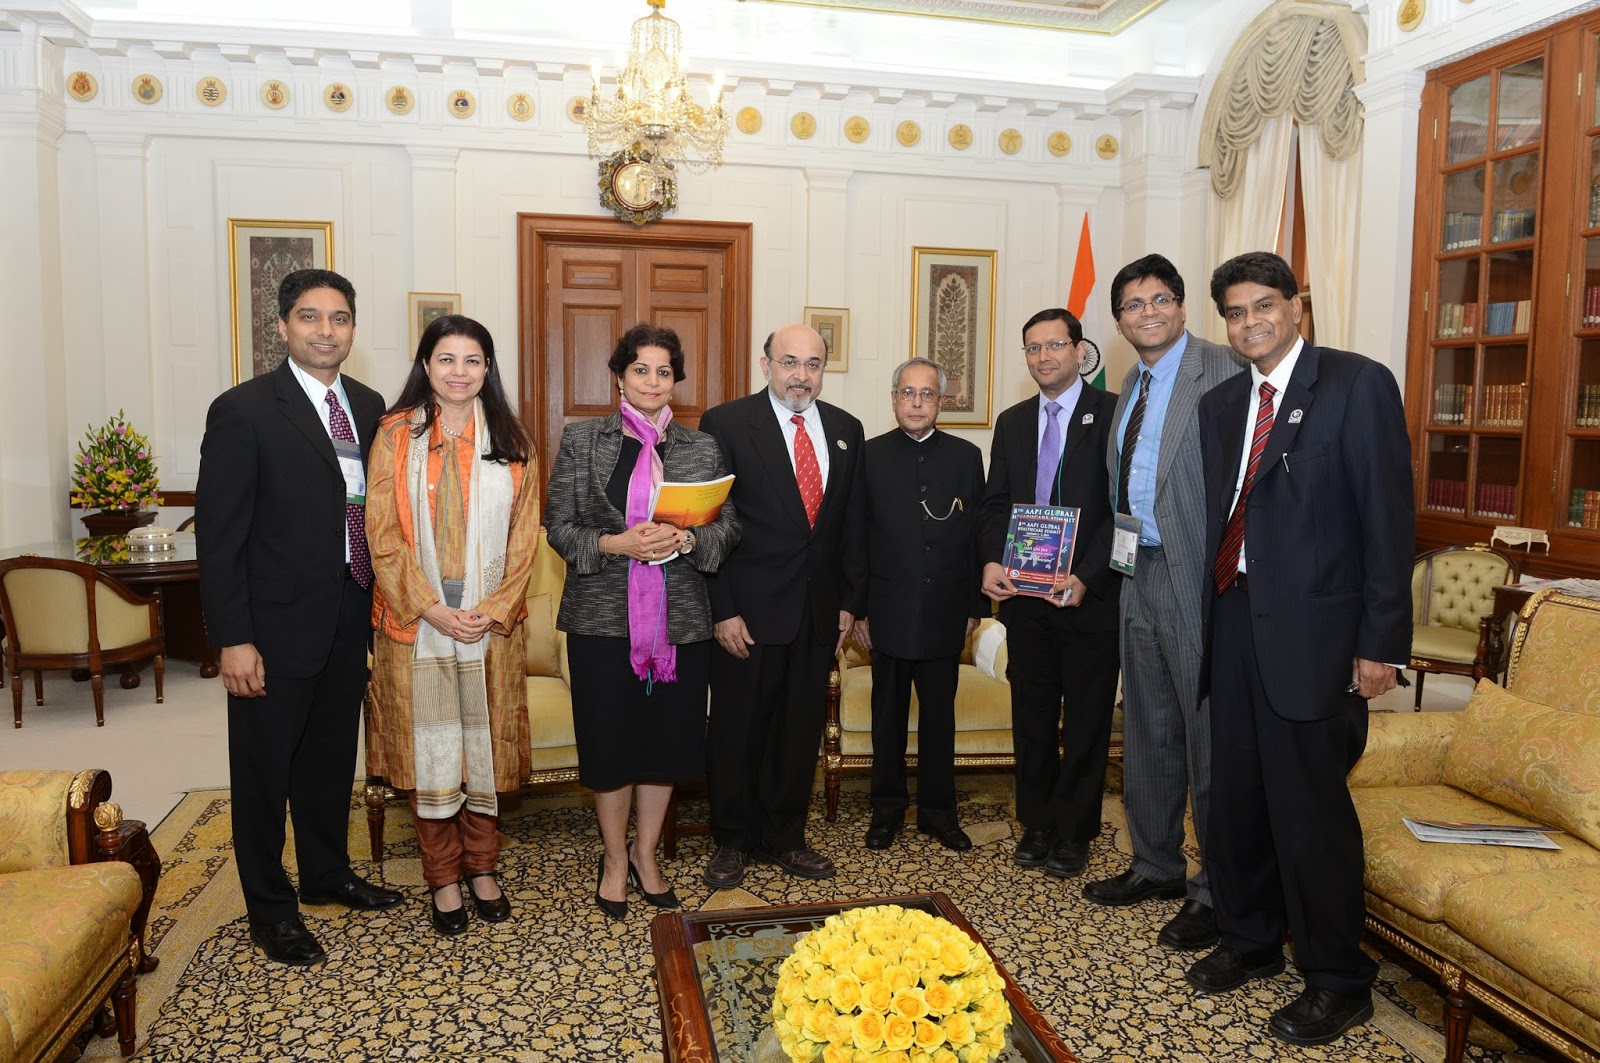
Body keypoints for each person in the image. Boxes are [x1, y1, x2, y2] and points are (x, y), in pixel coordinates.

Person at [1188, 251, 1413, 1046]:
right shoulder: (1221, 406)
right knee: (1236, 801)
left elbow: (1387, 522)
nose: (1251, 323)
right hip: (1236, 622)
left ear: (1297, 306)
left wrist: (1380, 642)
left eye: (1263, 307)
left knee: (1310, 813)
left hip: (1319, 640)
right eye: (1236, 313)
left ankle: (1337, 978)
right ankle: (1250, 940)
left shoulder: (1355, 385)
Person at [196, 268, 403, 967]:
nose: (326, 330)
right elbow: (219, 536)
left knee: (327, 760)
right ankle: (271, 911)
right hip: (271, 630)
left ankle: (326, 872)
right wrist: (233, 638)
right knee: (263, 775)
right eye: (310, 317)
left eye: (339, 318)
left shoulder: (371, 405)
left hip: (349, 613)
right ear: (282, 326)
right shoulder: (244, 409)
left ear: (352, 328)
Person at [544, 323, 740, 919]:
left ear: (675, 380)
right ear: (619, 377)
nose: (652, 382)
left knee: (664, 746)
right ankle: (611, 860)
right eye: (640, 370)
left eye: (663, 371)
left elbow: (727, 529)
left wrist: (685, 540)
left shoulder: (701, 448)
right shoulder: (582, 442)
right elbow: (558, 527)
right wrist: (616, 543)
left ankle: (646, 853)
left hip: (679, 622)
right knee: (612, 746)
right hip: (602, 621)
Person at [1083, 254, 1243, 951]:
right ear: (1118, 321)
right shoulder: (1131, 380)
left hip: (1197, 576)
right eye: (1132, 305)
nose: (1146, 313)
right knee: (1146, 727)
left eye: (1159, 300)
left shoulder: (1225, 369)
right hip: (1136, 569)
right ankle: (1155, 863)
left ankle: (1215, 889)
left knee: (1205, 732)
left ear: (1181, 306)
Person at [364, 315, 540, 936]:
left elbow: (526, 536)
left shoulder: (514, 440)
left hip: (488, 627)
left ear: (487, 369)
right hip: (417, 625)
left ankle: (483, 868)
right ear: (426, 365)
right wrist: (431, 606)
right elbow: (380, 535)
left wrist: (490, 611)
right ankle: (442, 875)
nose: (459, 372)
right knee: (431, 755)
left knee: (481, 751)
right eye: (446, 359)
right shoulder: (395, 436)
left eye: (472, 360)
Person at [698, 325, 866, 887]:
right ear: (764, 363)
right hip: (746, 610)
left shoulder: (846, 429)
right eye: (790, 361)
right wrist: (721, 608)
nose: (801, 374)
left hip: (818, 612)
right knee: (738, 729)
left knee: (799, 732)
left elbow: (849, 528)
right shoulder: (725, 423)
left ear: (825, 368)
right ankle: (733, 839)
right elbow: (708, 523)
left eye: (813, 364)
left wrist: (848, 602)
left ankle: (786, 835)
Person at [979, 308, 1119, 879]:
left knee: (1086, 722)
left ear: (1080, 350)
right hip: (1026, 601)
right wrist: (990, 558)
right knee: (1031, 718)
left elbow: (1122, 510)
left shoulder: (1113, 415)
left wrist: (1087, 574)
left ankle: (1075, 831)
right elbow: (994, 503)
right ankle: (1037, 824)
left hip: (1090, 598)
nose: (1043, 357)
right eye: (1032, 348)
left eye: (1054, 346)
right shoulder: (1011, 422)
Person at [854, 357, 986, 852]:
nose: (916, 402)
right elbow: (856, 539)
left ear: (940, 402)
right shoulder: (867, 456)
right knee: (886, 718)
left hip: (946, 610)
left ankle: (939, 813)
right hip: (886, 609)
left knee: (939, 719)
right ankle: (886, 811)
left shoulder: (967, 456)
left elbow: (977, 535)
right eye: (907, 393)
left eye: (926, 394)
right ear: (893, 399)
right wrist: (859, 609)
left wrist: (975, 605)